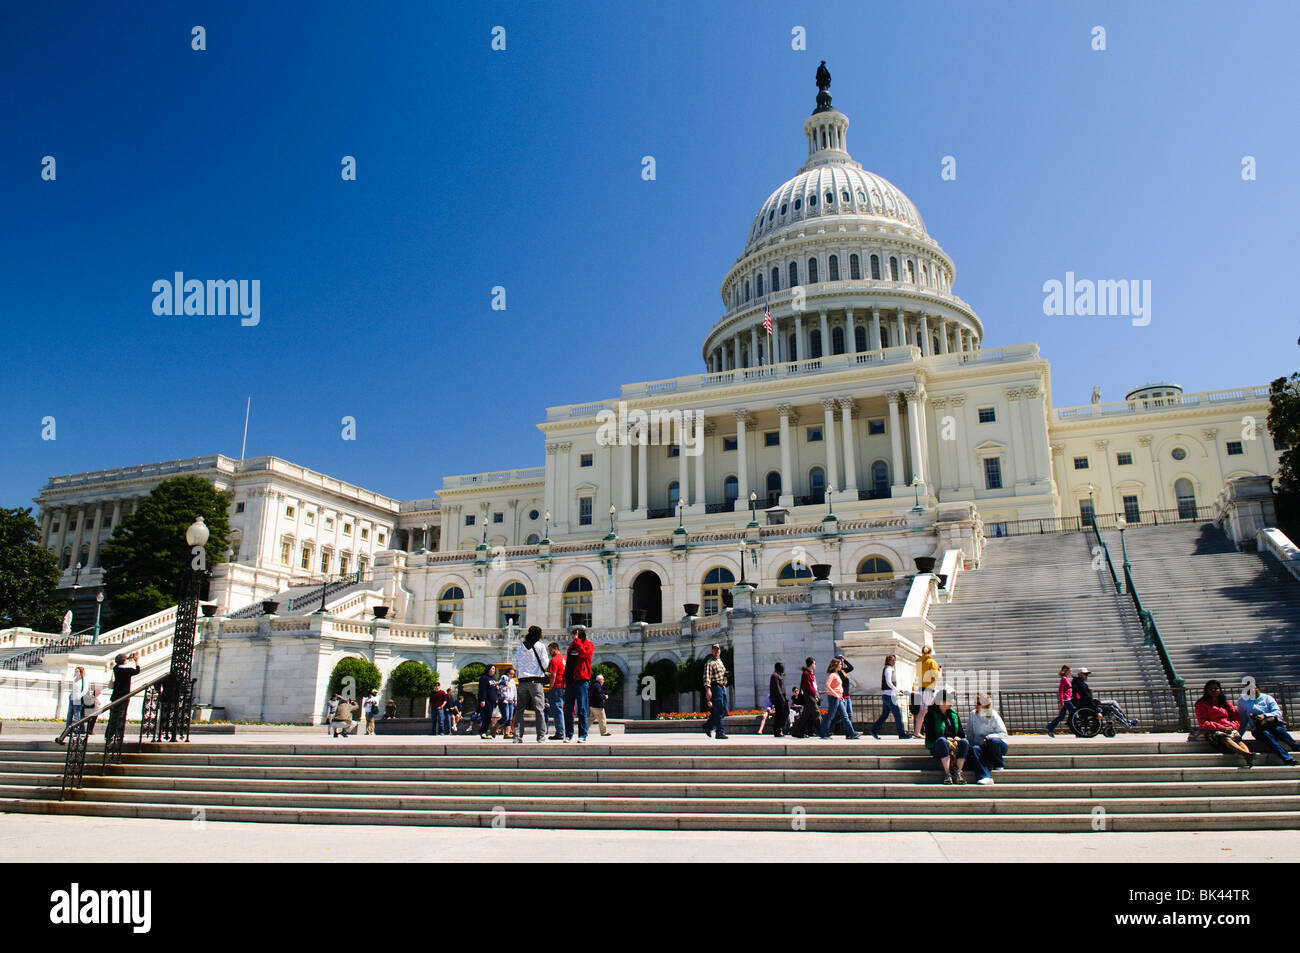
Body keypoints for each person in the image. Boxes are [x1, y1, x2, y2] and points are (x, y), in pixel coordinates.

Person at [1238, 680, 1299, 765]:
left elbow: (1278, 712)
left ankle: (1295, 746)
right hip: (1258, 728)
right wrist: (1239, 734)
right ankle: (1287, 758)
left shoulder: (1267, 698)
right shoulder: (1242, 701)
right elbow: (1243, 720)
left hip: (1272, 724)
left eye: (1254, 689)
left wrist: (1265, 715)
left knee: (1279, 730)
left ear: (1258, 689)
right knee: (1267, 736)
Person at [1195, 679, 1254, 766]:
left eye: (1216, 688)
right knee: (1226, 738)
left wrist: (1232, 725)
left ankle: (1248, 755)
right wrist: (1221, 727)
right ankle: (1246, 754)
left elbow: (1236, 717)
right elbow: (1203, 722)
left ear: (1220, 689)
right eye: (1211, 689)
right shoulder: (1201, 704)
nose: (1213, 691)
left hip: (1229, 727)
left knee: (1239, 741)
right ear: (1206, 691)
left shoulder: (1226, 703)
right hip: (1213, 730)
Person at [512, 626, 551, 743]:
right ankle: (541, 736)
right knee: (539, 709)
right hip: (536, 681)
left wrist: (524, 669)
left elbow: (515, 665)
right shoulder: (540, 646)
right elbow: (544, 664)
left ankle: (517, 736)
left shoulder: (520, 646)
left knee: (520, 710)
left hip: (522, 681)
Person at [923, 689, 968, 784]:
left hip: (953, 743)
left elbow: (961, 733)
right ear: (941, 702)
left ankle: (958, 772)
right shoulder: (931, 715)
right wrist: (946, 738)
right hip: (938, 745)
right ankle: (947, 774)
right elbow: (930, 735)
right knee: (942, 740)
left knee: (964, 742)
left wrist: (957, 737)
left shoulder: (953, 714)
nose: (951, 702)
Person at [1071, 667, 1138, 730]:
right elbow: (1087, 699)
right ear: (1079, 674)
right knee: (1112, 704)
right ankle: (1127, 723)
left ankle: (1124, 721)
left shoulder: (1077, 683)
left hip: (1087, 704)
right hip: (1090, 705)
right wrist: (1097, 711)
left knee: (1111, 705)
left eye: (1087, 674)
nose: (1086, 676)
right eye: (1085, 674)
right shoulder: (1081, 685)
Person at [966, 693, 1010, 785]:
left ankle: (998, 763)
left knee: (992, 741)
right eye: (975, 703)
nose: (976, 706)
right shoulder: (973, 715)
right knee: (975, 749)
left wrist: (988, 737)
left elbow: (1003, 734)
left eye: (978, 703)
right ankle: (985, 776)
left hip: (996, 745)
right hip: (981, 746)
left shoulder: (993, 715)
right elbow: (970, 733)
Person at [564, 627, 595, 742]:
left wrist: (576, 641)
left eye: (575, 635)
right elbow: (569, 662)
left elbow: (583, 654)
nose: (573, 637)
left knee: (582, 708)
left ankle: (583, 734)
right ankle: (568, 734)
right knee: (568, 708)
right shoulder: (572, 646)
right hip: (570, 679)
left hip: (581, 679)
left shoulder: (589, 645)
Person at [819, 657, 861, 739]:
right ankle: (824, 733)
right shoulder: (832, 675)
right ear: (836, 665)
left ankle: (852, 733)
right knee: (830, 716)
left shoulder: (838, 674)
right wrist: (836, 694)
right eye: (840, 664)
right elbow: (827, 685)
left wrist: (840, 696)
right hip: (834, 698)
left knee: (844, 716)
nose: (841, 665)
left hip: (839, 698)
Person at [104, 652, 139, 746]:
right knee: (121, 716)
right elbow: (137, 671)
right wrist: (136, 661)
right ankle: (119, 735)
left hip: (115, 695)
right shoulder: (128, 670)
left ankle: (109, 735)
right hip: (124, 696)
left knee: (113, 716)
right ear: (124, 661)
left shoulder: (116, 668)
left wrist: (127, 658)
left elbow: (119, 664)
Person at [872, 654, 908, 739]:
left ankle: (874, 730)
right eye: (892, 660)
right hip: (890, 695)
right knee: (897, 715)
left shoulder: (888, 669)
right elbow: (888, 682)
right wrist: (897, 690)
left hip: (887, 695)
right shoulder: (888, 669)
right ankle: (901, 734)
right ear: (888, 661)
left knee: (885, 715)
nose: (894, 662)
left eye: (895, 660)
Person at [912, 646, 940, 739]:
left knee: (922, 711)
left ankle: (917, 732)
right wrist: (940, 671)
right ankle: (931, 731)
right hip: (929, 688)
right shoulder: (932, 662)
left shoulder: (919, 662)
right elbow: (935, 675)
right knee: (929, 711)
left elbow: (918, 674)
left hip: (921, 688)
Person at [703, 643, 729, 740]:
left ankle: (708, 726)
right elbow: (706, 677)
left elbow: (723, 675)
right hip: (715, 686)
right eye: (714, 649)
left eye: (718, 649)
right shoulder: (709, 662)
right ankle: (719, 732)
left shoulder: (720, 662)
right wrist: (707, 689)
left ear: (720, 651)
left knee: (724, 710)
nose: (716, 651)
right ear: (712, 651)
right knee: (718, 709)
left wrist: (725, 676)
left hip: (722, 687)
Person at [790, 657, 821, 738]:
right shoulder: (806, 674)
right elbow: (809, 687)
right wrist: (815, 695)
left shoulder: (808, 673)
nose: (815, 665)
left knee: (805, 716)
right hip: (809, 696)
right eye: (814, 663)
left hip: (809, 696)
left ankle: (796, 732)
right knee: (816, 713)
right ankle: (824, 731)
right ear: (811, 664)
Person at [1045, 665, 1075, 737]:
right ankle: (1079, 731)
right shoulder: (1064, 679)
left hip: (1068, 699)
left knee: (1061, 716)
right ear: (1066, 671)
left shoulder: (1067, 679)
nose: (1071, 672)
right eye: (1070, 671)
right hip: (1066, 700)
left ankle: (1049, 727)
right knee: (1075, 714)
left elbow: (1068, 689)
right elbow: (1061, 690)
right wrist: (1061, 701)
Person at [545, 642, 567, 740]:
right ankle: (563, 730)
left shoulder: (554, 660)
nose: (549, 652)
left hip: (557, 687)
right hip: (564, 686)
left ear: (555, 648)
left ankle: (560, 732)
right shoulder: (563, 658)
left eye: (550, 650)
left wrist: (550, 686)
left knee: (557, 710)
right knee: (561, 709)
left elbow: (553, 675)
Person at [61, 666, 87, 741]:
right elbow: (73, 689)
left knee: (77, 715)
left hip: (78, 699)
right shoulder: (75, 679)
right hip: (72, 698)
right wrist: (71, 695)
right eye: (75, 671)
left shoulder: (84, 679)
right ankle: (67, 729)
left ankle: (76, 730)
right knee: (69, 714)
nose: (76, 673)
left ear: (81, 672)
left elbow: (85, 690)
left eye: (77, 671)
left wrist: (80, 696)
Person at [477, 664, 502, 738]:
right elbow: (483, 690)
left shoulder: (493, 679)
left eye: (494, 669)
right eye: (493, 668)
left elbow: (493, 689)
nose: (494, 670)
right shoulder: (484, 678)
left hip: (492, 700)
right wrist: (482, 700)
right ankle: (483, 732)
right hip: (486, 700)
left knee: (489, 716)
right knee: (486, 716)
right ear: (488, 669)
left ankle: (484, 732)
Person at [769, 662, 789, 738]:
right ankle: (777, 730)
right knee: (779, 714)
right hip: (778, 699)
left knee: (785, 712)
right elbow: (777, 689)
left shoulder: (779, 675)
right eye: (782, 667)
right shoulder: (774, 676)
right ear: (778, 667)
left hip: (782, 698)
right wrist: (782, 698)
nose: (783, 668)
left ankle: (779, 727)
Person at [836, 655, 856, 726]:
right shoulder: (837, 672)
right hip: (843, 695)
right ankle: (829, 726)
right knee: (842, 715)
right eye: (840, 662)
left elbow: (851, 667)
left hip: (847, 695)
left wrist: (845, 660)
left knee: (849, 714)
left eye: (842, 662)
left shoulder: (843, 671)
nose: (842, 663)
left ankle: (849, 732)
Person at [499, 671, 517, 740]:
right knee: (505, 716)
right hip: (505, 700)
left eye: (513, 674)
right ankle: (495, 728)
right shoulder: (504, 677)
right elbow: (501, 684)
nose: (512, 675)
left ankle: (507, 733)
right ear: (507, 673)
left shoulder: (512, 681)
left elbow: (514, 691)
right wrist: (505, 685)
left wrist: (515, 700)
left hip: (511, 701)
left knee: (510, 717)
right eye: (511, 674)